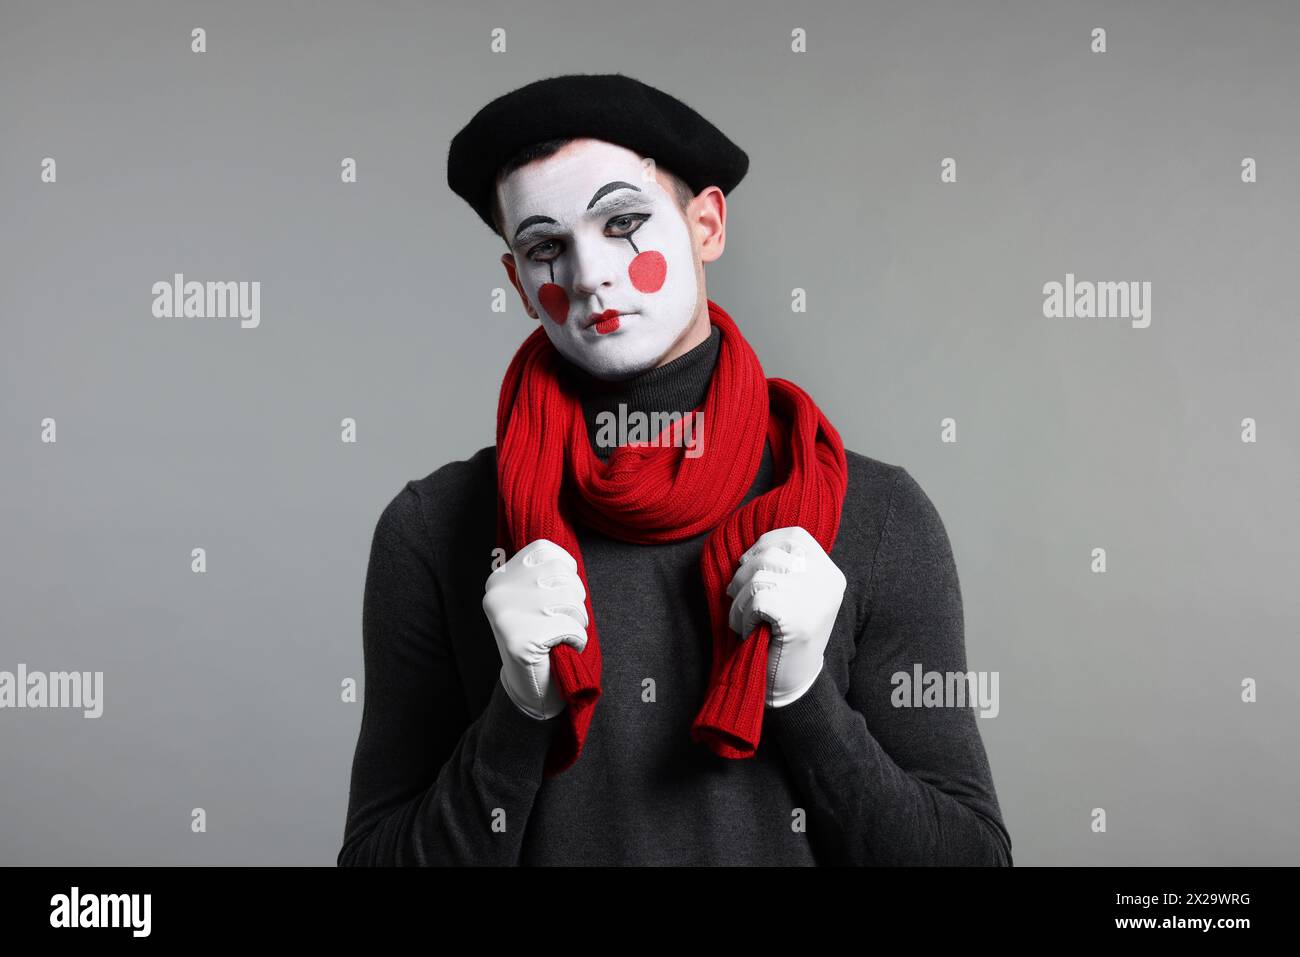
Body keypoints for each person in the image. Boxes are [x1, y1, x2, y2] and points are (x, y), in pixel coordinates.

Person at [337, 73, 1012, 866]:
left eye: (622, 222)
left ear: (707, 225)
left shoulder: (876, 513)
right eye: (546, 247)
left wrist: (804, 697)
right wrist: (515, 716)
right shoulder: (434, 528)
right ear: (518, 285)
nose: (588, 277)